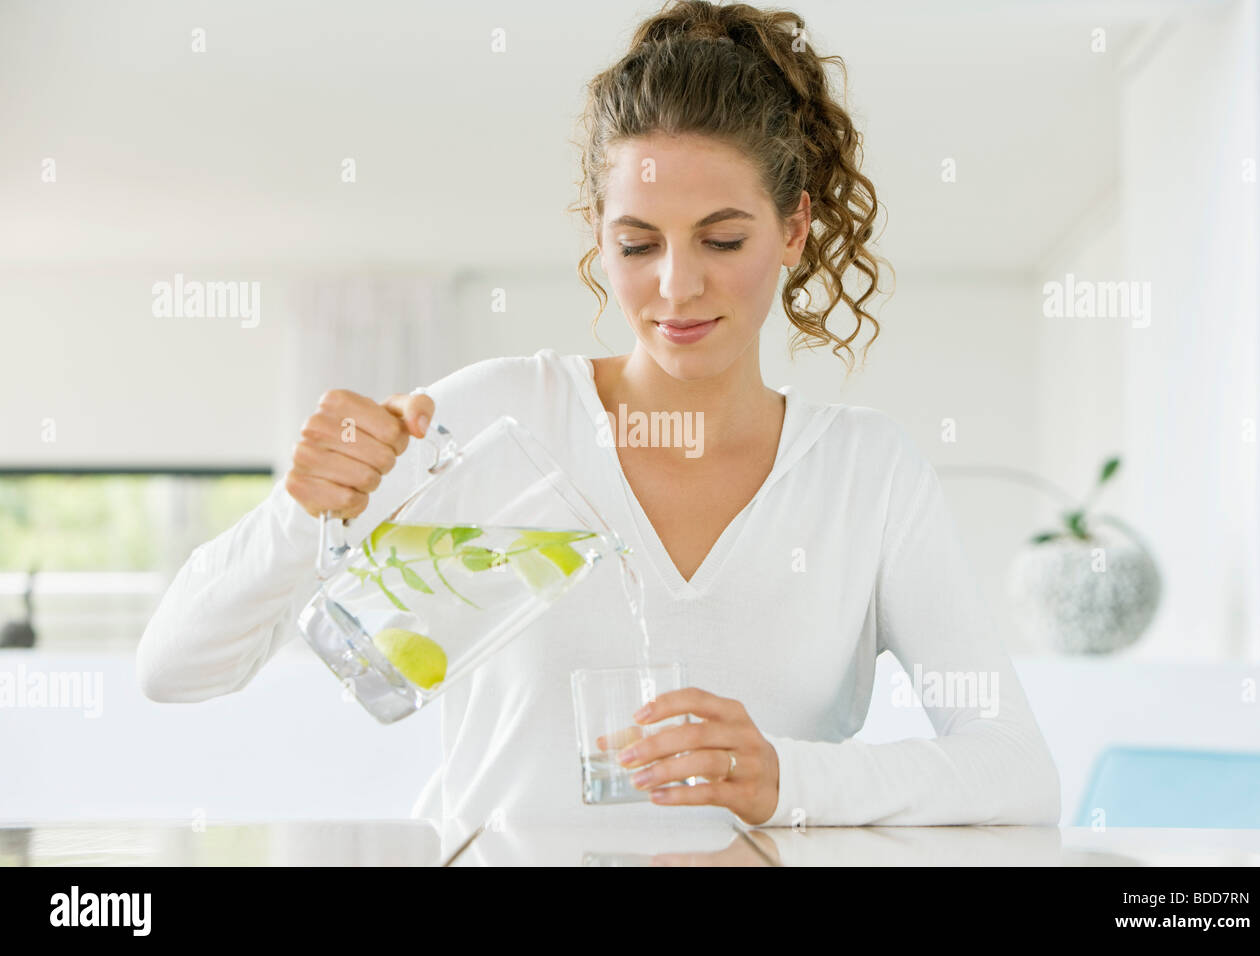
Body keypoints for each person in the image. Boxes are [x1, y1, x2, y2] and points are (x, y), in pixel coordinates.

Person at [137, 0, 1060, 839]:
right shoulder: (497, 416)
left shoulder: (867, 473)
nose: (677, 286)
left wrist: (786, 779)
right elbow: (175, 669)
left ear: (795, 227)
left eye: (723, 238)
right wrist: (305, 513)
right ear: (597, 235)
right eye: (637, 243)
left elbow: (1014, 768)